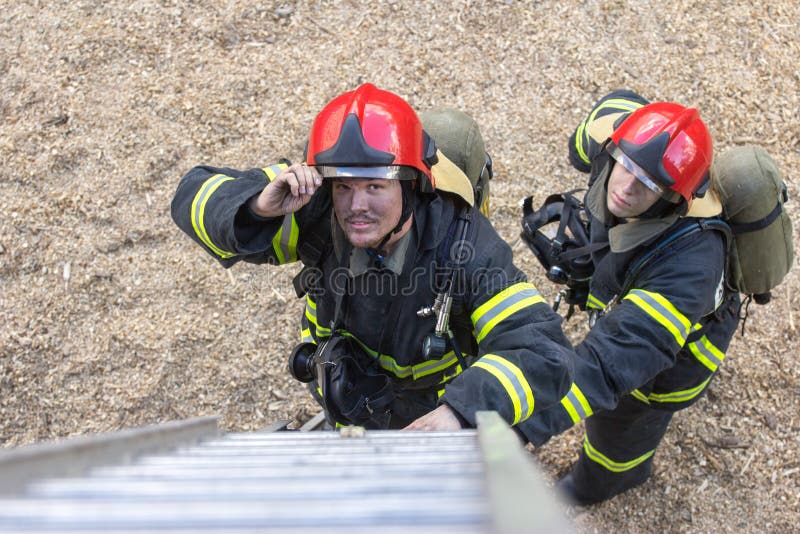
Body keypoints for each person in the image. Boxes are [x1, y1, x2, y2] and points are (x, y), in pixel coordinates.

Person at [171, 83, 573, 430]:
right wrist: (257, 208)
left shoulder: (467, 249)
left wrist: (460, 411)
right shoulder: (312, 206)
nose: (355, 206)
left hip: (425, 410)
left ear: (412, 187)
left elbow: (544, 353)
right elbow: (193, 193)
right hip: (339, 383)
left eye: (375, 187)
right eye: (344, 186)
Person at [511, 90, 741, 505]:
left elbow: (609, 363)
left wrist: (519, 427)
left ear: (673, 198)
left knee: (620, 423)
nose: (627, 187)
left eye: (650, 183)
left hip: (675, 363)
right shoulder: (618, 142)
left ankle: (600, 484)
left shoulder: (691, 266)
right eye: (627, 165)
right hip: (633, 284)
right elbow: (596, 128)